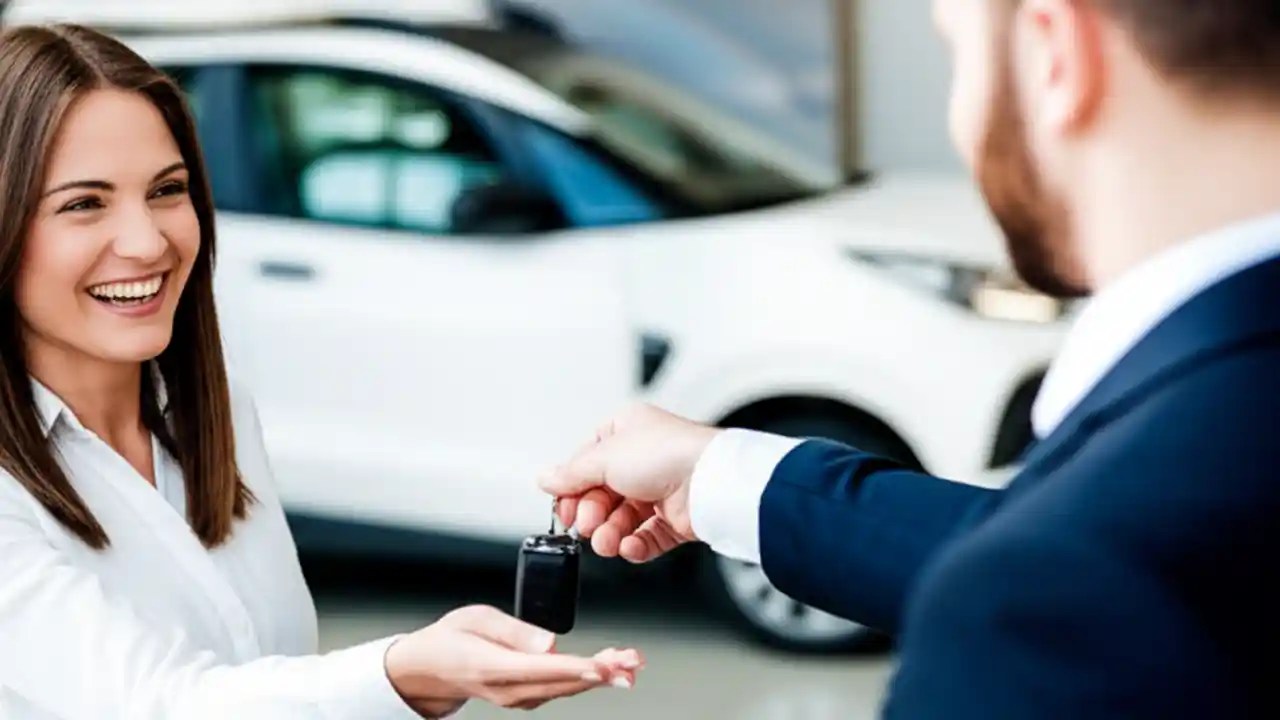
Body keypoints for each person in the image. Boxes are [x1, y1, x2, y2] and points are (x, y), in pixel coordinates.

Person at [540, 0, 1280, 717]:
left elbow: (1079, 584)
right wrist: (722, 478)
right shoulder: (1194, 485)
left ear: (1054, 53)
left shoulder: (1065, 591)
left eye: (955, 51)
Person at [0, 23, 641, 720]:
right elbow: (162, 704)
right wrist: (402, 673)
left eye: (167, 190)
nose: (148, 240)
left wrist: (416, 667)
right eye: (84, 204)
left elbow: (272, 673)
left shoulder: (214, 412)